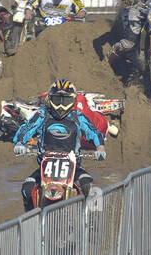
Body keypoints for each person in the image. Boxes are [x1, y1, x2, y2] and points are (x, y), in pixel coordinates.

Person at [12, 79, 105, 212]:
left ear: (72, 100)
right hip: (45, 167)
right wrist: (20, 142)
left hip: (73, 167)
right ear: (50, 99)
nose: (61, 105)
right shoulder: (43, 115)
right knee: (27, 188)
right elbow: (27, 128)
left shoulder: (77, 117)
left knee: (91, 187)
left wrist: (100, 148)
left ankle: (91, 225)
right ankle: (30, 219)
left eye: (65, 100)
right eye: (57, 100)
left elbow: (94, 132)